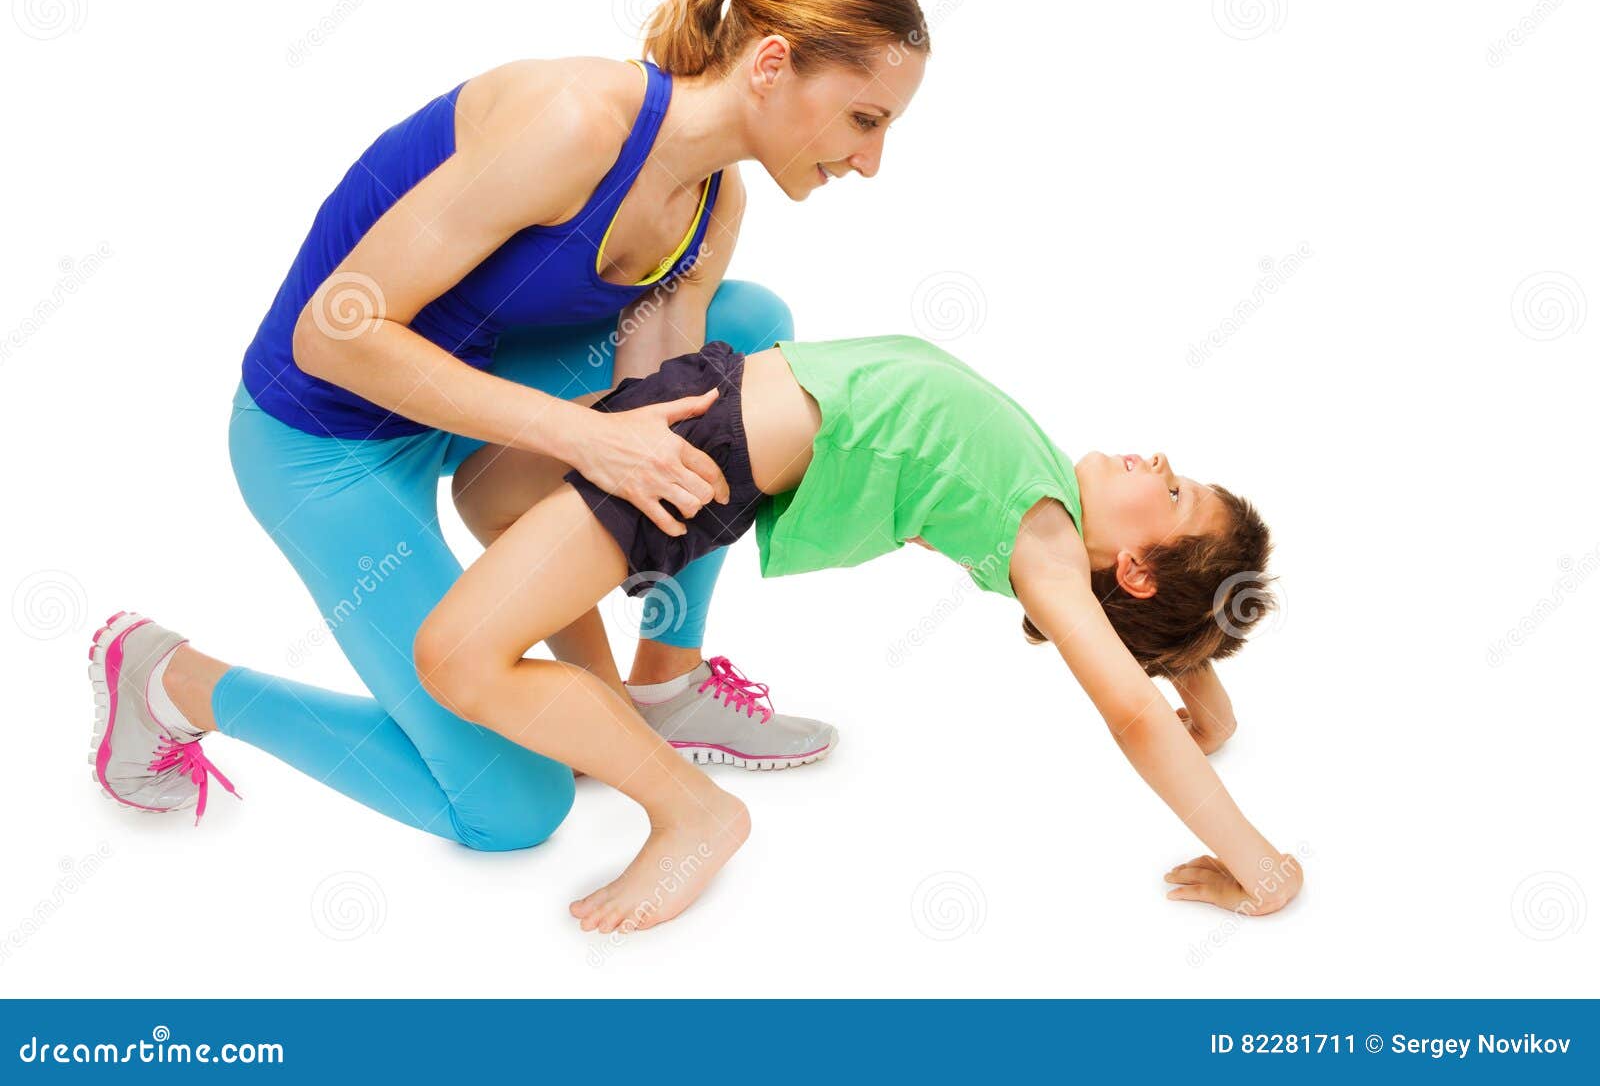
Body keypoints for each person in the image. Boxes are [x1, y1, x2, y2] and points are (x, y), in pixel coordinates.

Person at [87, 0, 929, 850]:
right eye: (864, 118)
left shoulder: (714, 203)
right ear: (771, 64)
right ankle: (168, 678)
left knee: (743, 343)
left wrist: (863, 494)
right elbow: (332, 334)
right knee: (513, 807)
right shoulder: (573, 122)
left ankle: (661, 687)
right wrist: (582, 436)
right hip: (325, 435)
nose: (872, 160)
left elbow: (659, 426)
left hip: (474, 389)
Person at [95, 334, 1299, 932]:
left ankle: (689, 811)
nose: (1153, 460)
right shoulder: (1052, 515)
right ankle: (613, 726)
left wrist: (1264, 865)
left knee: (456, 655)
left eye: (1171, 489)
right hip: (699, 402)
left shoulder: (1042, 538)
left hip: (701, 450)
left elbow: (1127, 709)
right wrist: (1205, 682)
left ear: (1134, 565)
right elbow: (1146, 662)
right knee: (491, 494)